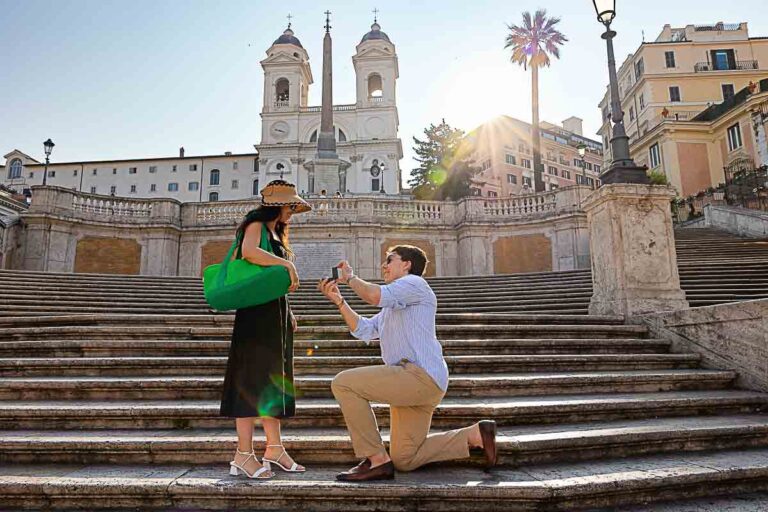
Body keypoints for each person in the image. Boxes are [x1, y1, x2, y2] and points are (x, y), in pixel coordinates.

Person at [317, 246, 497, 482]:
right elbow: (363, 330)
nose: (384, 265)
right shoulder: (394, 304)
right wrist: (339, 302)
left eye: (389, 260)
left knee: (344, 384)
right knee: (405, 458)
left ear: (407, 265)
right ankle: (474, 436)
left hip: (418, 376)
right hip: (420, 382)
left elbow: (373, 296)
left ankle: (376, 459)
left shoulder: (415, 284)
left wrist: (349, 277)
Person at [220, 179, 311, 479]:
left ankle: (274, 447)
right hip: (255, 316)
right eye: (290, 206)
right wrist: (288, 266)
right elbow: (248, 253)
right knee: (250, 382)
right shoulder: (257, 225)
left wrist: (289, 311)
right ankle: (243, 455)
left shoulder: (276, 232)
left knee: (272, 382)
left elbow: (270, 282)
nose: (292, 212)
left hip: (274, 314)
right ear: (278, 205)